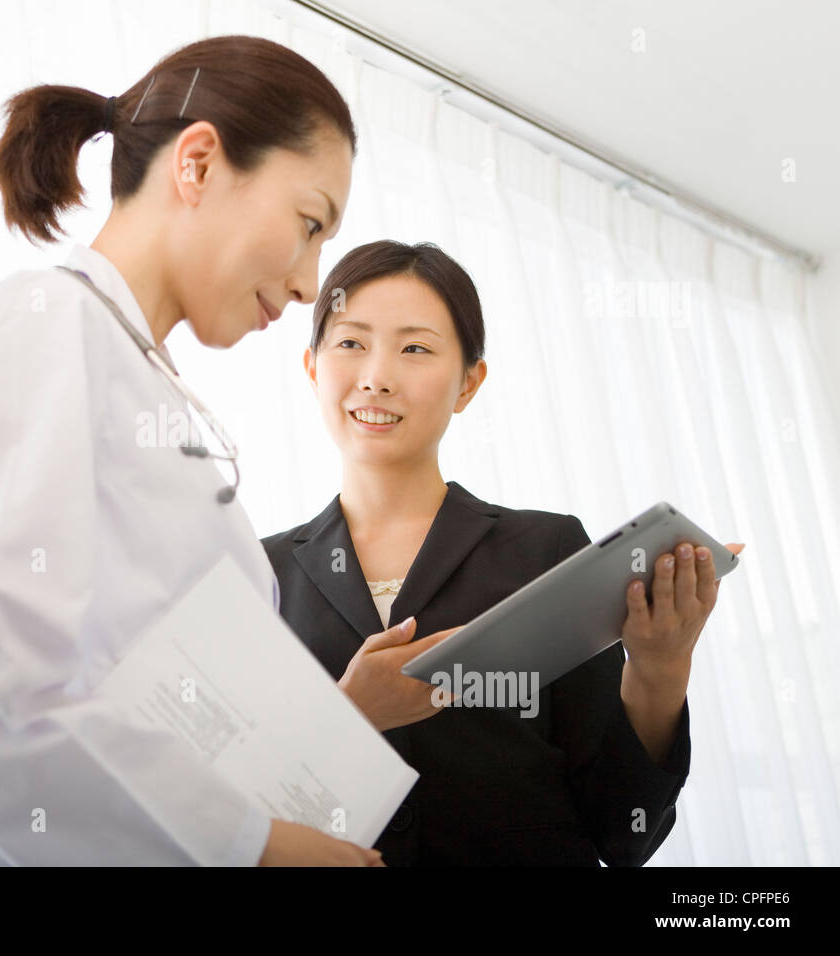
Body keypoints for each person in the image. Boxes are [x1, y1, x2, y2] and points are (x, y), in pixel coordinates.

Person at [0, 36, 454, 866]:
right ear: (198, 163)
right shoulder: (46, 324)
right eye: (310, 223)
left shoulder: (134, 374)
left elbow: (144, 714)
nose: (315, 281)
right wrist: (256, 845)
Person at [261, 240, 746, 865]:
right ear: (311, 367)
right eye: (351, 342)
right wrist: (350, 715)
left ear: (469, 383)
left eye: (414, 348)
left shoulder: (547, 553)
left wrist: (661, 668)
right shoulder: (257, 576)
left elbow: (623, 834)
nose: (376, 376)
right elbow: (223, 816)